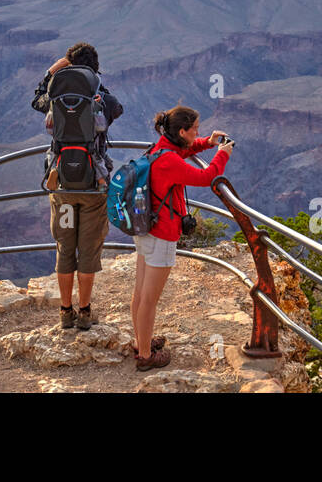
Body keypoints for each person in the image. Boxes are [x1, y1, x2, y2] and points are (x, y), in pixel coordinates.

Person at [130, 105, 231, 371]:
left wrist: (205, 143)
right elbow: (207, 177)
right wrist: (222, 154)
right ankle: (144, 355)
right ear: (182, 131)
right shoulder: (170, 161)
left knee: (140, 293)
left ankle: (141, 340)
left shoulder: (160, 148)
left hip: (145, 227)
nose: (198, 131)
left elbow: (183, 150)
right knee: (149, 299)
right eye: (195, 129)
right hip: (161, 235)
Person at [31, 42, 123, 331]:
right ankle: (85, 312)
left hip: (63, 188)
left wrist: (52, 72)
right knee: (88, 249)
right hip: (93, 188)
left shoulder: (55, 99)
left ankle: (65, 311)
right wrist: (98, 85)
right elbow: (118, 109)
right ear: (94, 69)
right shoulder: (101, 99)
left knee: (65, 247)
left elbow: (36, 101)